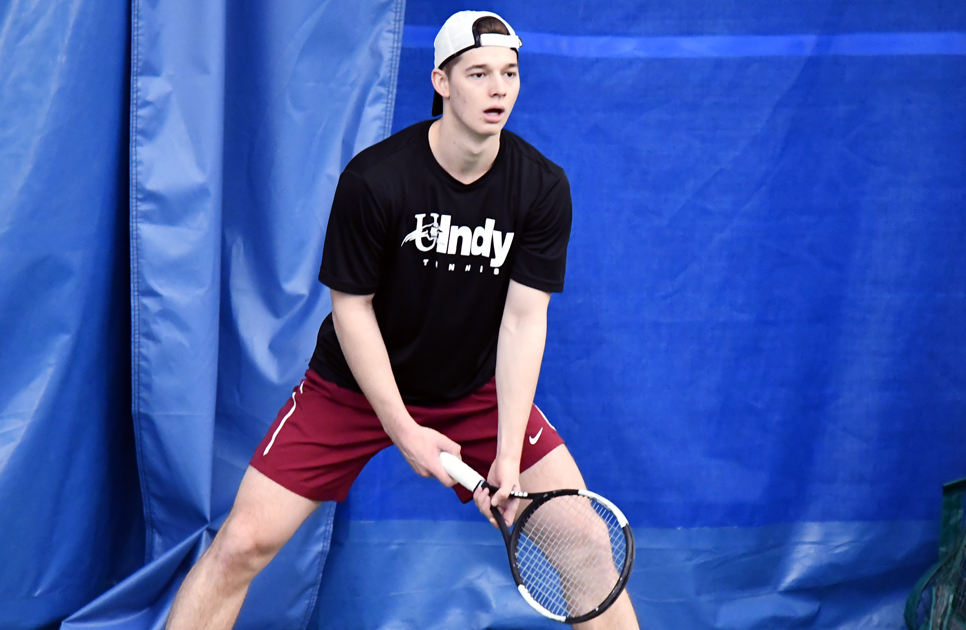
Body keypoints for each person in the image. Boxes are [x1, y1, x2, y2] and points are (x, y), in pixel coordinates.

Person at [165, 10, 640, 630]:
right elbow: (351, 308)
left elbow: (524, 323)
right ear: (442, 81)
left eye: (509, 73)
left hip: (474, 392)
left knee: (580, 544)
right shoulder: (376, 181)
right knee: (242, 544)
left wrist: (504, 453)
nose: (499, 89)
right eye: (478, 74)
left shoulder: (541, 187)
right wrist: (403, 429)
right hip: (351, 389)